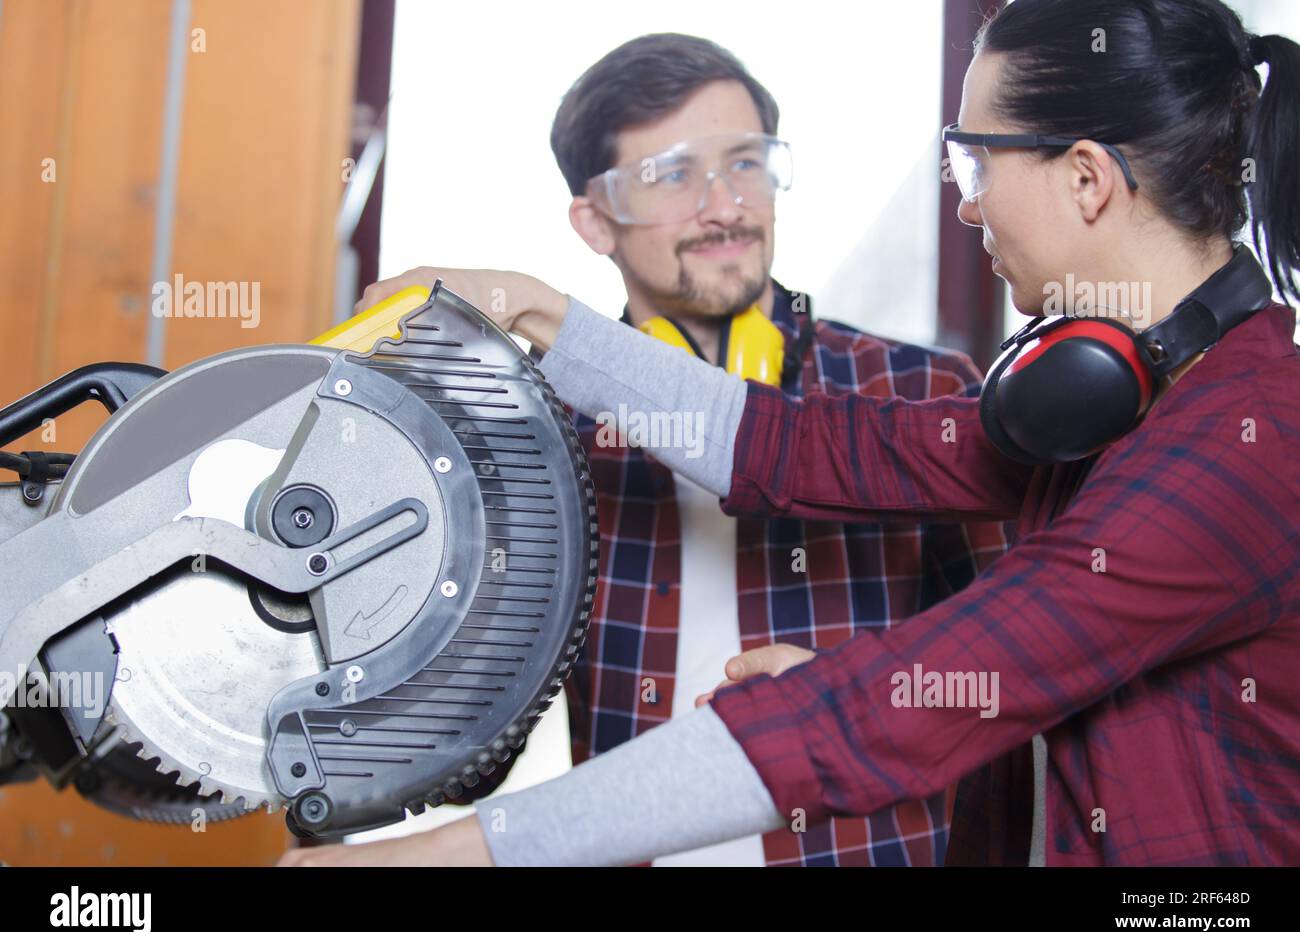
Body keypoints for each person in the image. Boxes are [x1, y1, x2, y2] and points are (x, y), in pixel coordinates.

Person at [281, 0, 1300, 867]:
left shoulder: (1244, 447)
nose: (967, 205)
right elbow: (804, 448)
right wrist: (535, 309)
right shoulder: (1113, 396)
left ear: (1084, 177)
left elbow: (933, 691)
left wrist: (443, 855)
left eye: (974, 161)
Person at [421, 33, 1007, 868]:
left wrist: (866, 696)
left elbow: (1020, 688)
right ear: (594, 221)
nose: (725, 205)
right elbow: (465, 767)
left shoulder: (922, 394)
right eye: (672, 174)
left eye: (745, 163)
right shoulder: (534, 443)